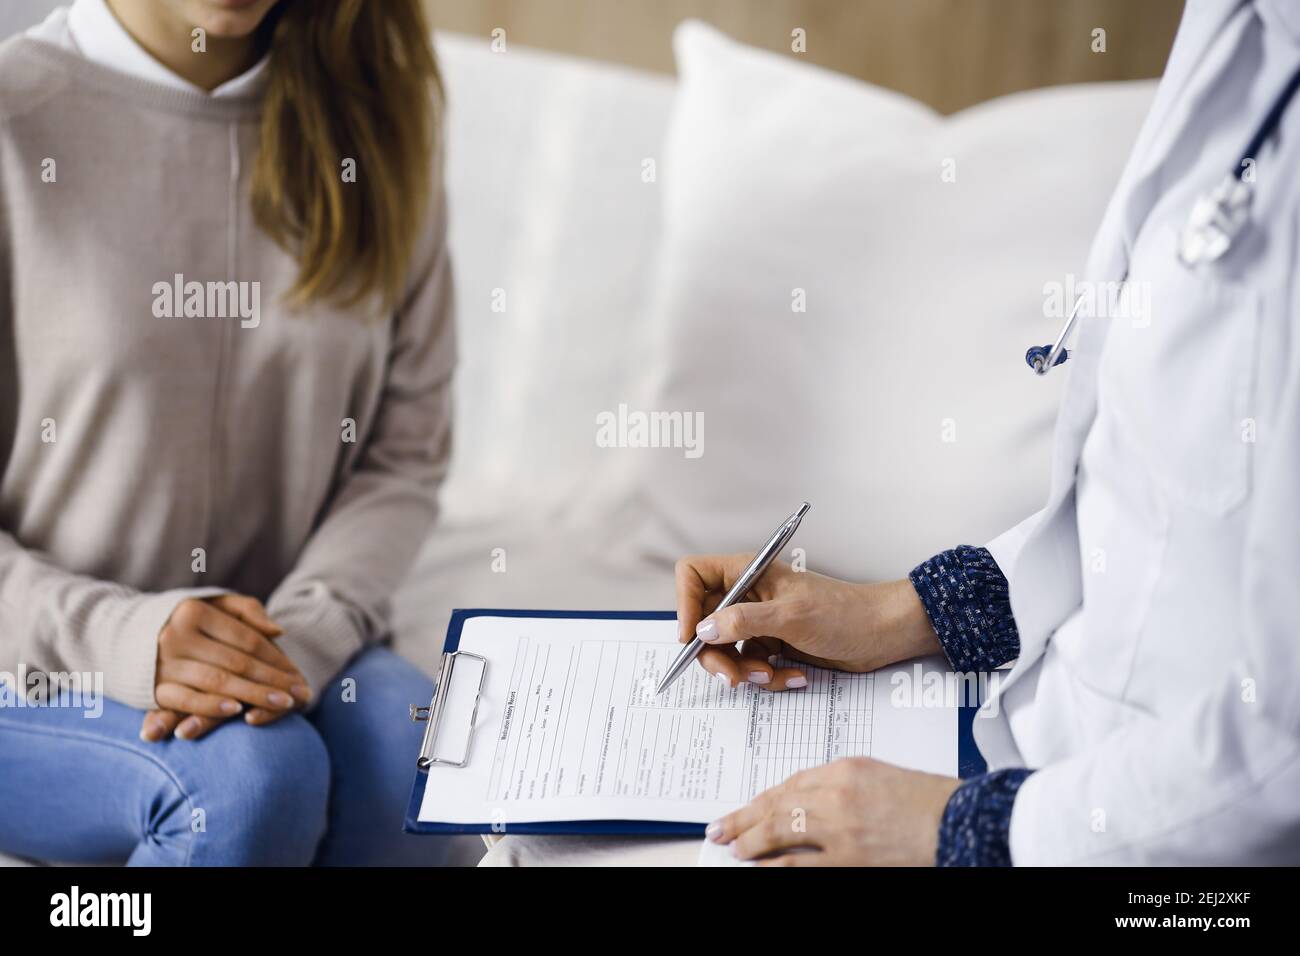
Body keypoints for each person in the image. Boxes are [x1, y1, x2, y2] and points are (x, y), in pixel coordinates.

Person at [677, 0, 1300, 866]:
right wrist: (901, 611)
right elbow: (1143, 506)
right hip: (1036, 744)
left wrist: (967, 832)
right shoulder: (1245, 34)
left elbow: (1284, 760)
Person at [0, 0, 457, 865]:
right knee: (245, 784)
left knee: (414, 759)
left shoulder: (382, 120)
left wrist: (300, 643)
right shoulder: (15, 119)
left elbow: (404, 453)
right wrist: (128, 641)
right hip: (33, 659)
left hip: (290, 641)